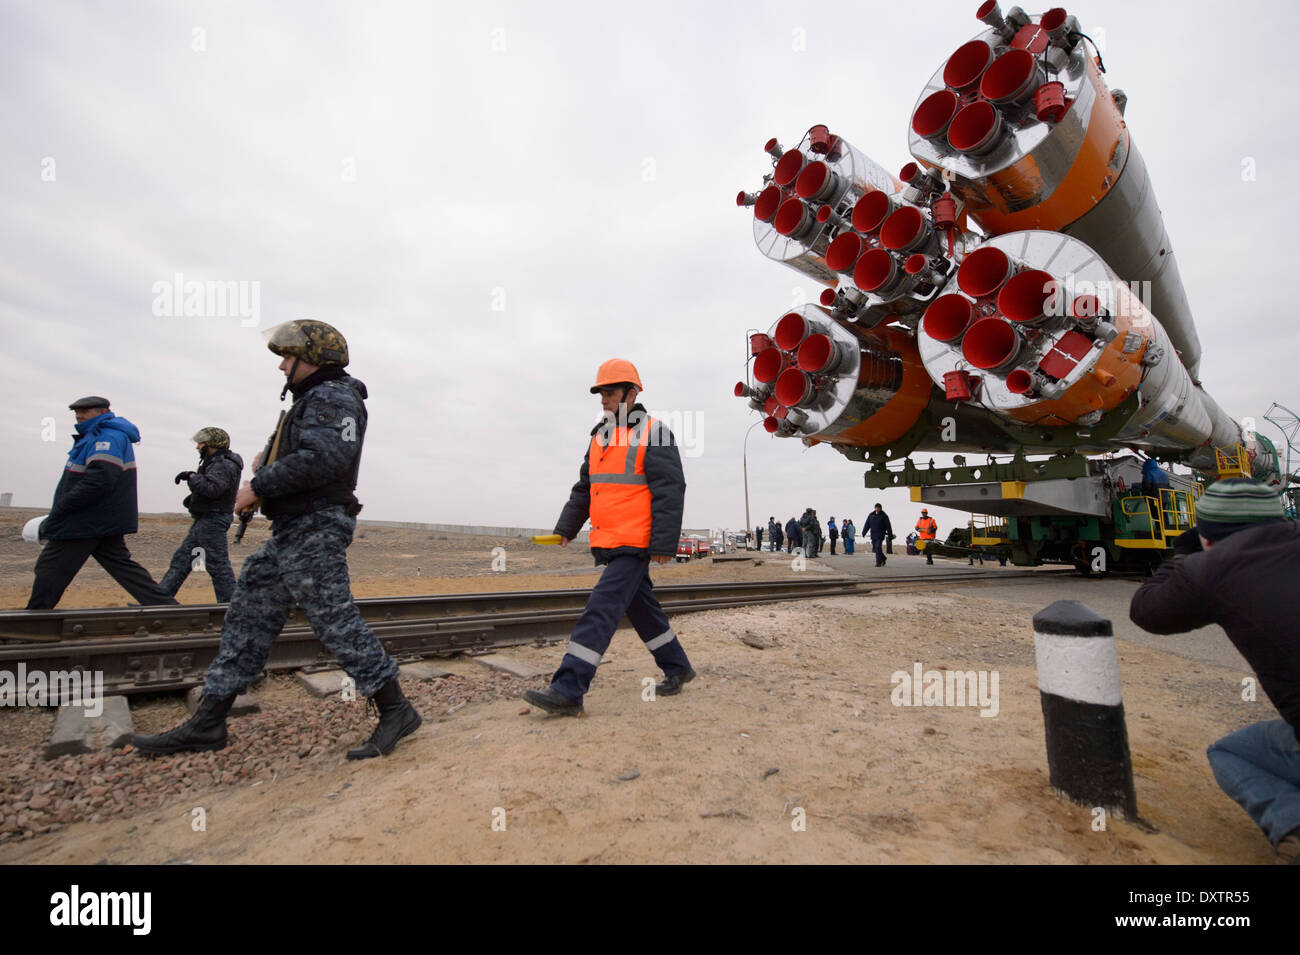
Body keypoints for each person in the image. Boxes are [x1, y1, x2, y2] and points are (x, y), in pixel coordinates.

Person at [134, 321, 420, 760]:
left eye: (289, 357)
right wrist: (268, 468)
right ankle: (208, 722)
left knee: (334, 620)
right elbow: (306, 455)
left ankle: (396, 709)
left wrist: (258, 486)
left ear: (314, 359)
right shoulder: (312, 399)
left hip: (316, 526)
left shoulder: (334, 396)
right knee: (248, 612)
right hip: (293, 528)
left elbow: (322, 459)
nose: (282, 365)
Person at [1129, 478, 1300, 863]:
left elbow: (1145, 611)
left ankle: (1293, 826)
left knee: (1232, 753)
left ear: (1208, 535)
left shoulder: (1211, 568)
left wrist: (1185, 555)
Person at [524, 360, 695, 716]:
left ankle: (569, 688)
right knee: (643, 611)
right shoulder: (599, 436)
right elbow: (585, 488)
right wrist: (565, 530)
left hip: (635, 542)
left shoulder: (654, 432)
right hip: (610, 539)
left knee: (600, 610)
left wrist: (664, 545)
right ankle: (678, 667)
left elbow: (671, 490)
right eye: (601, 392)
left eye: (610, 392)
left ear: (631, 394)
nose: (603, 399)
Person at [27, 398, 178, 610]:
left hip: (87, 519)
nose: (79, 415)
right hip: (100, 518)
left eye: (84, 411)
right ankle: (169, 609)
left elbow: (100, 479)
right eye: (77, 412)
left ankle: (33, 619)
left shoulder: (108, 436)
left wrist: (63, 507)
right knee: (123, 568)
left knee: (50, 567)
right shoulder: (95, 435)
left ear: (103, 411)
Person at [159, 428, 244, 603]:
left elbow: (213, 489)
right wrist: (194, 499)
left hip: (213, 520)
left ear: (213, 444)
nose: (197, 447)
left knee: (217, 565)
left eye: (201, 443)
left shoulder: (223, 463)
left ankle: (230, 606)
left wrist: (192, 477)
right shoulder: (215, 462)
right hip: (206, 518)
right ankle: (159, 601)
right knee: (181, 561)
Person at [865, 503, 893, 567]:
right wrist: (864, 532)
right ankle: (883, 558)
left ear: (880, 508)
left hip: (880, 535)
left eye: (879, 508)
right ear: (875, 508)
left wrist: (890, 535)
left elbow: (888, 526)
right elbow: (867, 524)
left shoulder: (884, 516)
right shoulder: (871, 515)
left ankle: (878, 562)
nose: (877, 509)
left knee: (878, 547)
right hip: (873, 534)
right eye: (876, 507)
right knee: (875, 548)